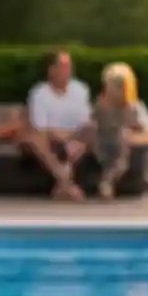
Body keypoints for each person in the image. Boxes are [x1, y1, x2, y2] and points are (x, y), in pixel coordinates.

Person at [23, 50, 92, 201]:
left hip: (76, 137)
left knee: (92, 129)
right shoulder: (39, 93)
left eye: (69, 66)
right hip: (50, 138)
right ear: (51, 70)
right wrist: (62, 136)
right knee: (35, 138)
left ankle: (62, 185)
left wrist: (71, 136)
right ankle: (65, 181)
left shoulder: (81, 89)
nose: (68, 70)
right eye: (63, 66)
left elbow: (85, 121)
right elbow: (40, 127)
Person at [99, 62, 148, 189]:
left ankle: (111, 180)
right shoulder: (100, 108)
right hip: (105, 152)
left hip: (129, 157)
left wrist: (128, 137)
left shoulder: (136, 108)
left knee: (124, 139)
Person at [88, 74, 139, 200]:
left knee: (120, 158)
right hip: (101, 139)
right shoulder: (100, 104)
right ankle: (106, 183)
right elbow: (92, 120)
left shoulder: (127, 106)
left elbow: (133, 124)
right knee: (108, 158)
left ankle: (106, 183)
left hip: (117, 140)